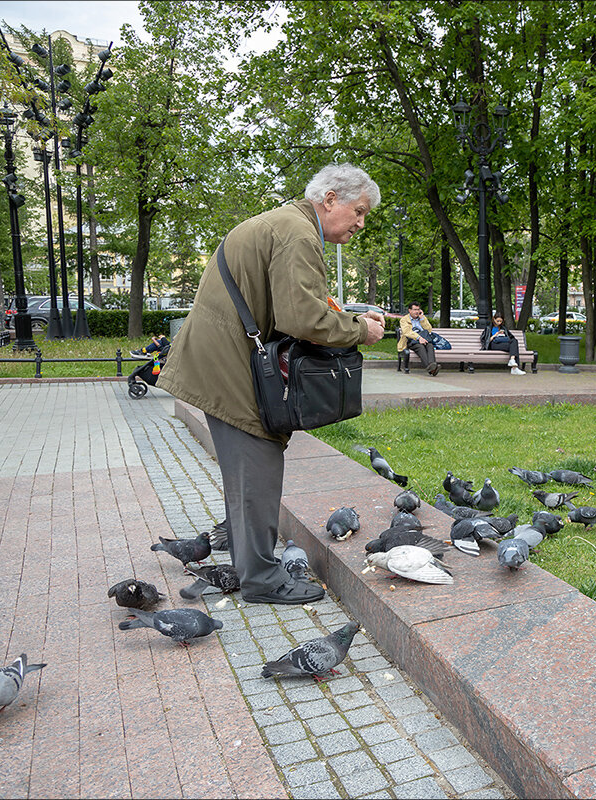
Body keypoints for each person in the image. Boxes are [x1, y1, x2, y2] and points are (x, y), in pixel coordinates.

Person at [158, 163, 386, 605]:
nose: (360, 223)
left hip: (219, 358)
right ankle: (262, 580)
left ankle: (249, 557)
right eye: (358, 211)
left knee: (247, 473)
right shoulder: (298, 234)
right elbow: (301, 318)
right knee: (257, 469)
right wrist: (360, 329)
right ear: (331, 199)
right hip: (229, 367)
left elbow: (289, 308)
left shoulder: (285, 223)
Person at [398, 301, 439, 376]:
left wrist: (422, 319)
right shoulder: (404, 320)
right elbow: (407, 332)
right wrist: (418, 338)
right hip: (411, 341)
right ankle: (432, 368)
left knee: (430, 346)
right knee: (420, 347)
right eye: (415, 310)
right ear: (409, 310)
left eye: (418, 309)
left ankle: (432, 368)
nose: (417, 311)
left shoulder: (422, 318)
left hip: (424, 340)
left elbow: (429, 329)